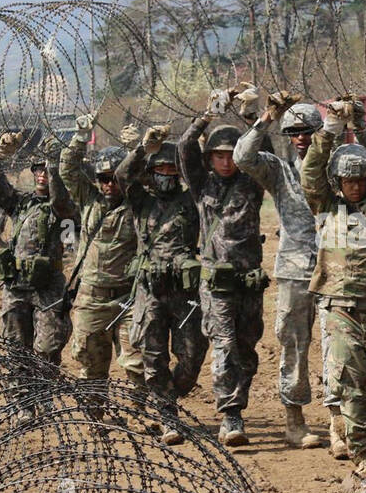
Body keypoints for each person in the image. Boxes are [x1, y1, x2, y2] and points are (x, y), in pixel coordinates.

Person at [302, 97, 366, 479]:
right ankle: (364, 451)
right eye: (349, 181)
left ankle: (355, 424)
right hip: (339, 307)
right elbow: (311, 173)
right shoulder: (326, 206)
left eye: (361, 180)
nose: (356, 186)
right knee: (352, 380)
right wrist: (330, 129)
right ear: (338, 183)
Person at [234, 88, 325, 449]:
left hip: (338, 269)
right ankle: (295, 420)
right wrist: (267, 118)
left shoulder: (340, 168)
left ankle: (339, 420)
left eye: (308, 132)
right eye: (295, 133)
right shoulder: (280, 171)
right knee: (294, 344)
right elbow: (243, 156)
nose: (301, 139)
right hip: (295, 268)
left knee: (338, 347)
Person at [179, 89, 268, 446]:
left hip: (250, 281)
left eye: (231, 155)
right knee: (225, 345)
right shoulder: (202, 186)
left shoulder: (253, 182)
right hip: (216, 283)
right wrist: (208, 114)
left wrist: (252, 119)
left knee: (247, 348)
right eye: (218, 155)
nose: (226, 161)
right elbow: (184, 148)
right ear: (210, 158)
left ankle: (237, 403)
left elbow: (268, 156)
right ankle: (231, 414)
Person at [115, 125, 208, 445]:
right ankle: (167, 414)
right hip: (151, 292)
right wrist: (144, 147)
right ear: (152, 173)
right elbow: (123, 175)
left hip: (184, 293)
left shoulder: (191, 200)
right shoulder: (141, 200)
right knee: (153, 358)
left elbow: (199, 170)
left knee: (193, 355)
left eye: (172, 168)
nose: (167, 174)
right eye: (161, 169)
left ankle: (171, 395)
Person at [60, 114, 144, 427]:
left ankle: (141, 413)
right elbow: (67, 170)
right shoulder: (89, 202)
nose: (108, 184)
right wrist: (80, 137)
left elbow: (147, 176)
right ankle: (94, 418)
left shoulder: (137, 204)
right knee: (90, 364)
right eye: (103, 179)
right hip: (91, 297)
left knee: (137, 361)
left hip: (127, 298)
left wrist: (136, 148)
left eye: (114, 179)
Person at [0, 132, 78, 368]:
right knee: (15, 352)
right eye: (38, 168)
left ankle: (43, 400)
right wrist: (1, 156)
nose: (42, 173)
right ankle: (23, 404)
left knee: (47, 351)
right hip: (18, 286)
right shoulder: (21, 202)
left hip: (48, 287)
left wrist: (55, 167)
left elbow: (61, 204)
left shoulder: (64, 204)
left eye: (47, 169)